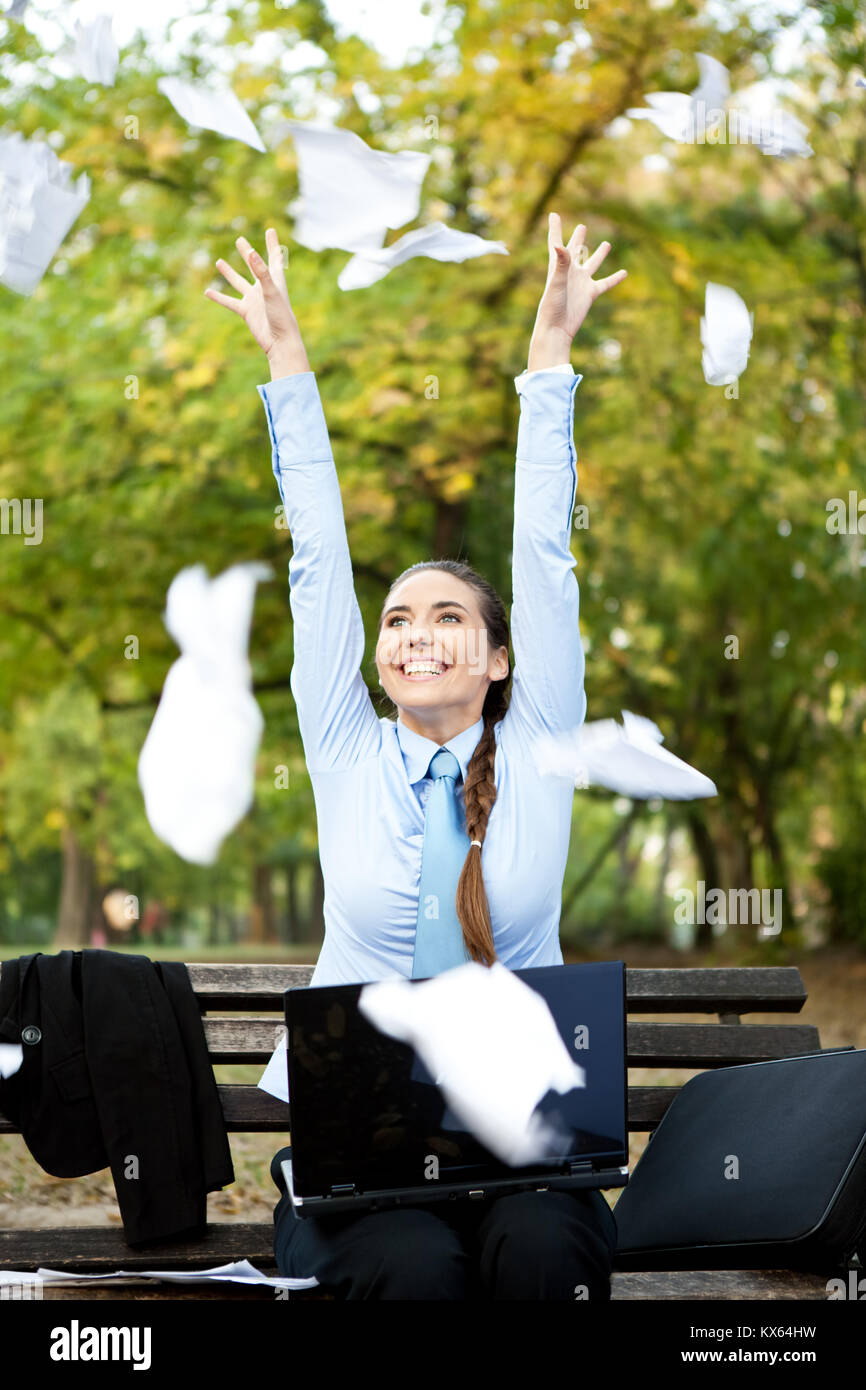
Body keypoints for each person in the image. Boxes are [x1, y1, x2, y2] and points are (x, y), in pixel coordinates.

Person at [205, 213, 627, 1300]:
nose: (414, 633)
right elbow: (315, 555)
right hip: (364, 1170)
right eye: (397, 619)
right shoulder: (345, 748)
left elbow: (544, 555)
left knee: (537, 1251)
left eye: (446, 616)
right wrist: (286, 364)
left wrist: (548, 363)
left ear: (496, 659)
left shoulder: (536, 745)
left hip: (521, 1146)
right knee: (413, 1269)